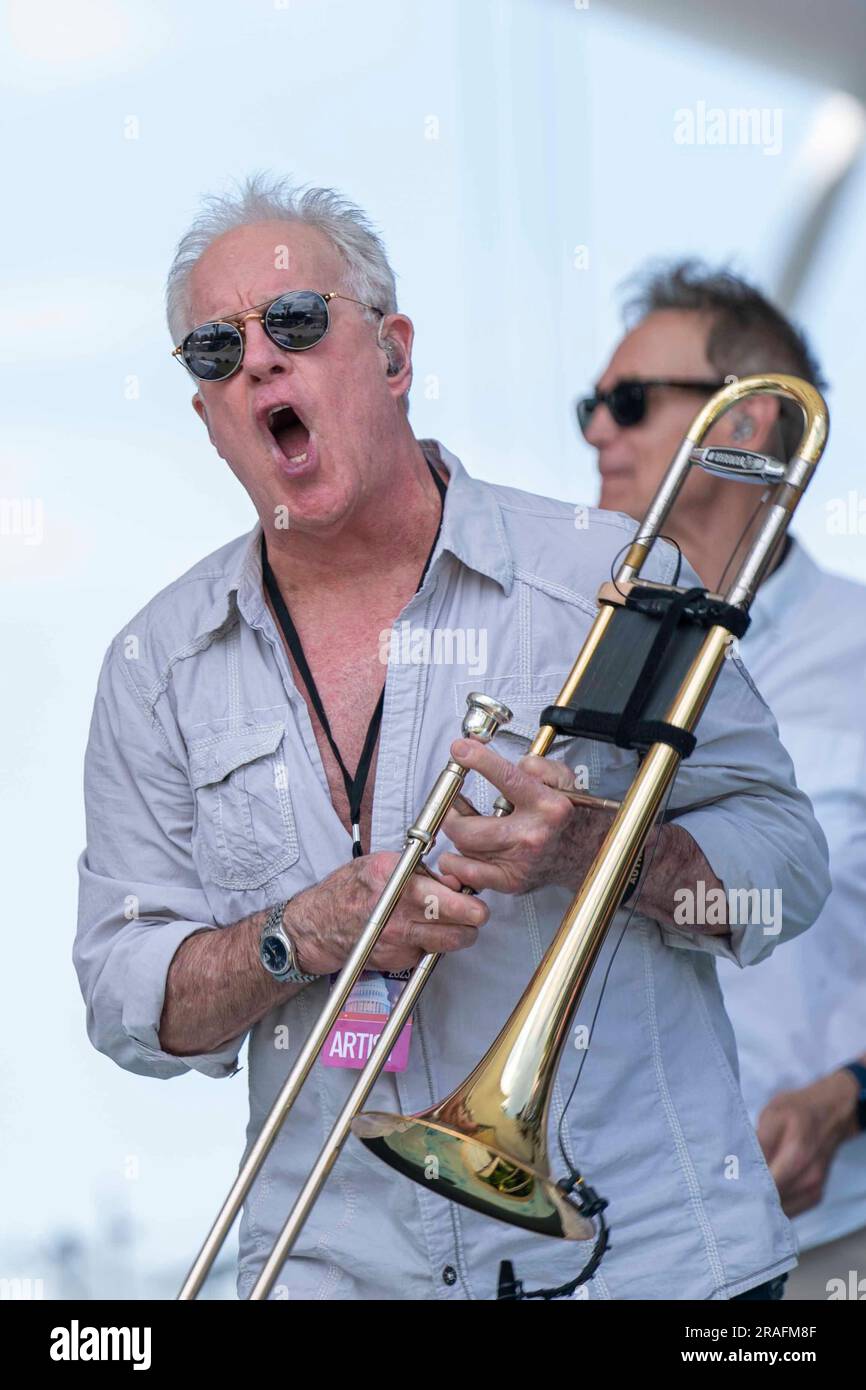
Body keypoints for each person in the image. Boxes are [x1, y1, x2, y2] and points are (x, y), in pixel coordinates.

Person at [75, 180, 830, 1301]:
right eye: (213, 349)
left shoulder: (604, 576)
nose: (259, 364)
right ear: (205, 414)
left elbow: (784, 871)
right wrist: (298, 936)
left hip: (653, 1268)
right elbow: (124, 998)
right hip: (334, 1270)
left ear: (392, 352)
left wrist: (597, 850)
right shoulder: (156, 667)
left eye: (294, 321)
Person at [582, 259, 866, 1299]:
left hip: (832, 1241)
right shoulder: (574, 650)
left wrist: (846, 1097)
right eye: (589, 406)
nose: (593, 432)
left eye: (625, 402)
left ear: (742, 427)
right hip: (612, 1249)